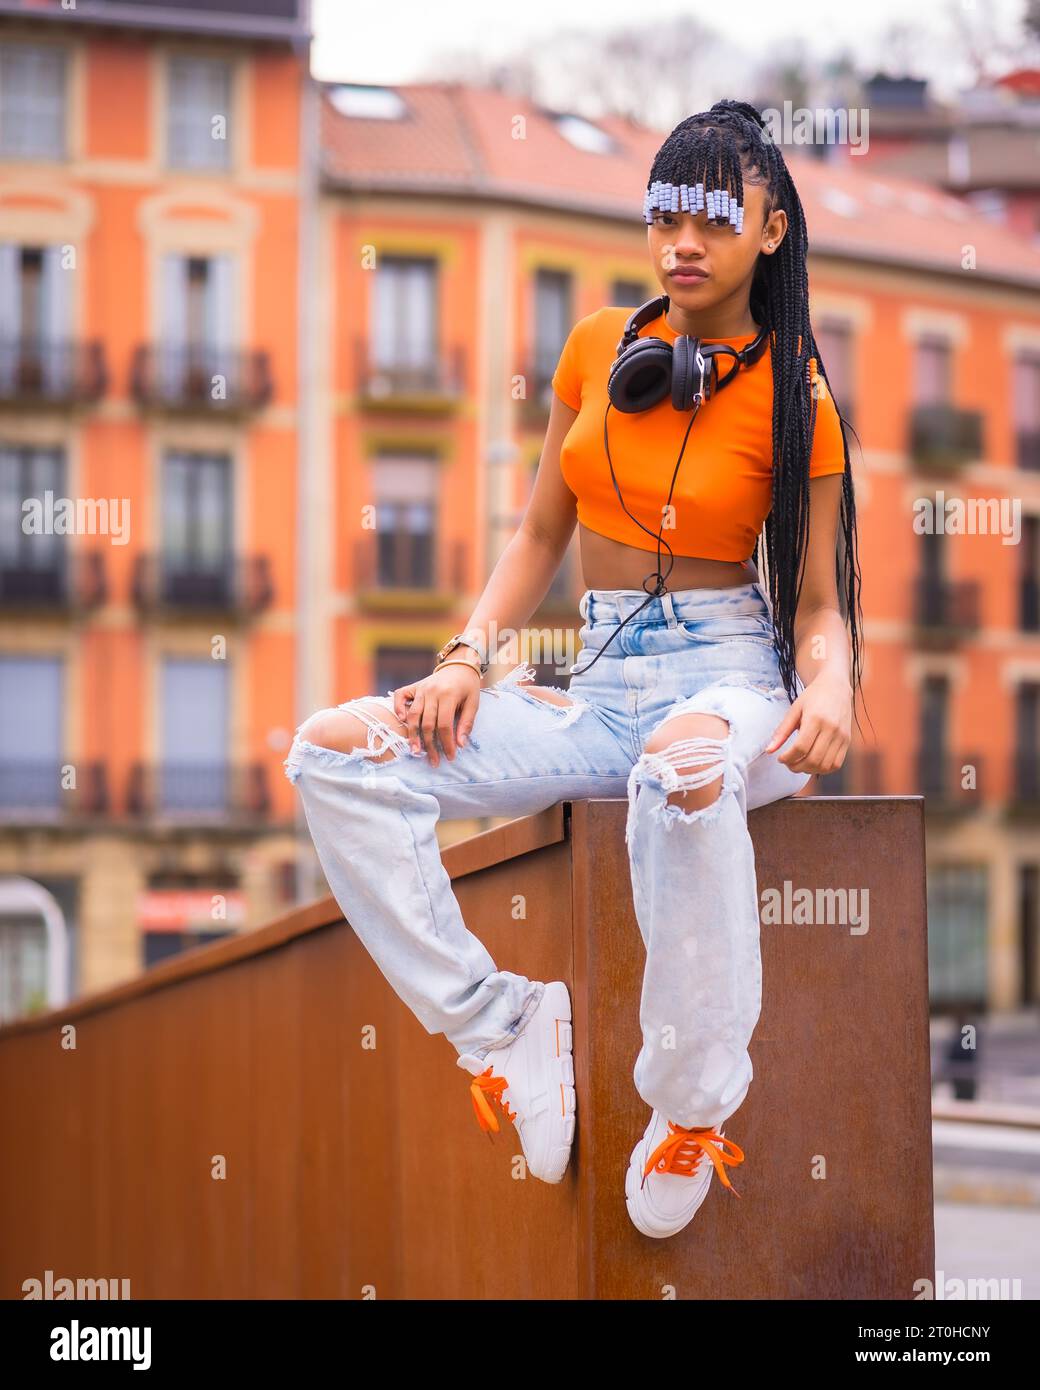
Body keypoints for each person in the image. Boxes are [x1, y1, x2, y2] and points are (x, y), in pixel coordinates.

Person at [283, 98, 865, 1240]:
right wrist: (464, 657)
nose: (679, 243)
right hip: (592, 678)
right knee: (333, 752)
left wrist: (831, 684)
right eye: (662, 217)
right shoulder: (603, 348)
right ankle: (500, 1023)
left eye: (710, 218)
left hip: (724, 673)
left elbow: (816, 609)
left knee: (681, 771)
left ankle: (689, 1107)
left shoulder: (797, 398)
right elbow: (536, 534)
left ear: (770, 231)